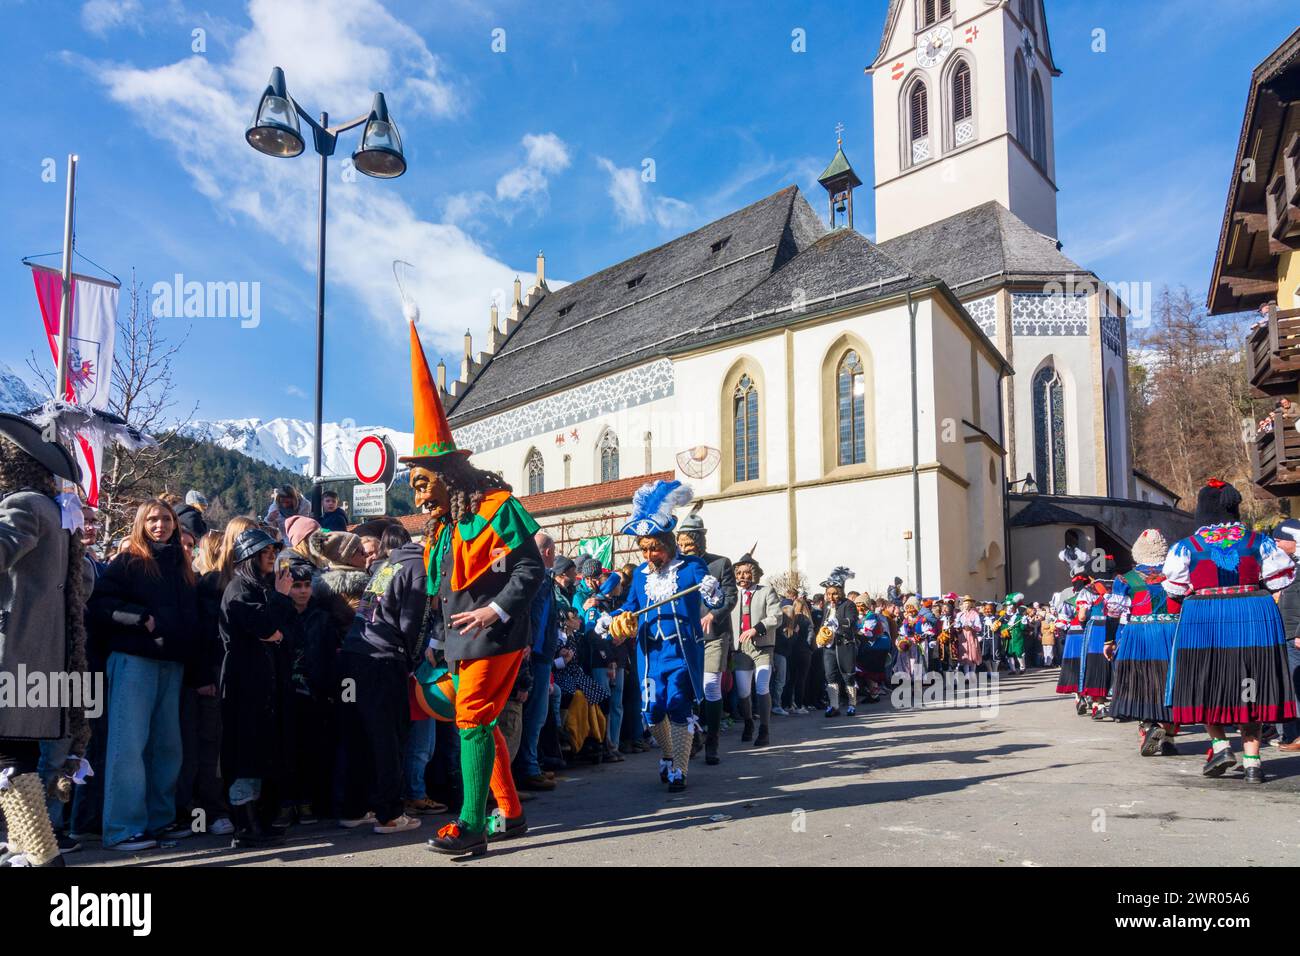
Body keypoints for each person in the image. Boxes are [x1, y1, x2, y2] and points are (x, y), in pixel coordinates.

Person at [395, 324, 544, 857]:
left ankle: (471, 824)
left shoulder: (497, 509)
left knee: (473, 719)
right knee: (482, 724)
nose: (418, 495)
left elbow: (531, 570)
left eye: (422, 483)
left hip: (497, 634)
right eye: (413, 486)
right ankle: (514, 813)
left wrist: (496, 612)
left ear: (449, 475)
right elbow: (443, 598)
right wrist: (435, 643)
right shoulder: (439, 531)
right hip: (459, 640)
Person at [1162, 480, 1297, 783]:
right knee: (1250, 686)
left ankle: (1221, 745)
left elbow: (1175, 588)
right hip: (1252, 614)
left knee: (1206, 680)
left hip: (1205, 616)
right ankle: (1253, 762)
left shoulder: (1187, 546)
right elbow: (1281, 578)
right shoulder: (1257, 541)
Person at [0, 413, 89, 868]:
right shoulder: (57, 510)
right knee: (15, 753)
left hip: (12, 655)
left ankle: (39, 852)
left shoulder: (22, 504)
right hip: (43, 656)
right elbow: (84, 581)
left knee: (7, 759)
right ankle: (24, 847)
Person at [89, 497, 200, 851]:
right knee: (129, 747)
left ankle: (159, 820)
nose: (160, 525)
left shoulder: (181, 564)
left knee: (168, 748)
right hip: (134, 660)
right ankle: (122, 828)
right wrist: (139, 618)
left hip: (172, 663)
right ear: (141, 523)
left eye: (165, 519)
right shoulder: (129, 561)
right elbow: (101, 604)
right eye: (152, 519)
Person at [598, 479, 723, 793]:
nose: (649, 554)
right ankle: (668, 753)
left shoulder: (691, 567)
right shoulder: (640, 575)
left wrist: (712, 590)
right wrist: (608, 619)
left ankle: (680, 768)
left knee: (678, 704)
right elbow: (630, 606)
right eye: (644, 549)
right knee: (652, 710)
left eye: (654, 547)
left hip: (680, 653)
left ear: (668, 544)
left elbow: (713, 599)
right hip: (650, 655)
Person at [218, 529, 296, 847]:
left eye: (273, 549)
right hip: (244, 685)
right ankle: (246, 827)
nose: (271, 555)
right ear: (249, 556)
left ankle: (260, 822)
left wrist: (276, 622)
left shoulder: (261, 588)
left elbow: (286, 631)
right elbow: (266, 627)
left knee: (263, 754)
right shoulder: (239, 588)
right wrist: (278, 602)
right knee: (246, 755)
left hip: (265, 684)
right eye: (265, 551)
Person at [1106, 529, 1181, 757]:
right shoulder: (1175, 574)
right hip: (1172, 632)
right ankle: (1168, 736)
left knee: (1141, 680)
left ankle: (1149, 726)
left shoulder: (1126, 579)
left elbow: (1113, 612)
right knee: (1170, 679)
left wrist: (1108, 640)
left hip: (1139, 632)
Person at [674, 511, 737, 766]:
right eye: (681, 544)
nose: (685, 548)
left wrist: (713, 614)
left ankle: (713, 740)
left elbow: (731, 598)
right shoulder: (677, 567)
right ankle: (695, 736)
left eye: (690, 544)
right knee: (689, 690)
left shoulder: (720, 564)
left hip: (713, 636)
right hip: (688, 638)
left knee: (710, 686)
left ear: (701, 542)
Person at [730, 550, 782, 747]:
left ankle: (765, 729)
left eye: (746, 572)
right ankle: (749, 722)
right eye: (739, 573)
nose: (742, 576)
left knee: (762, 687)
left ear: (755, 573)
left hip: (762, 646)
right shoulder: (733, 594)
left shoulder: (766, 591)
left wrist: (756, 628)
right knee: (743, 691)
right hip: (740, 648)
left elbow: (776, 616)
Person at [818, 568, 859, 717]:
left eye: (834, 593)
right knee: (830, 675)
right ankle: (834, 706)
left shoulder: (848, 605)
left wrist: (838, 622)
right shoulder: (828, 607)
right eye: (828, 594)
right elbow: (823, 623)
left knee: (848, 675)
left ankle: (852, 704)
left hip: (845, 645)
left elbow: (852, 621)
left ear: (840, 592)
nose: (831, 597)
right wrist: (820, 636)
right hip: (829, 646)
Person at [954, 596, 983, 673]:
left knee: (973, 654)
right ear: (962, 604)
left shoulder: (974, 614)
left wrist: (972, 627)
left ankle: (972, 673)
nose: (966, 605)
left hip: (971, 635)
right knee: (964, 655)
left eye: (968, 603)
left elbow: (979, 626)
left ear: (971, 604)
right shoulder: (959, 614)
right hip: (962, 636)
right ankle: (966, 675)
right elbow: (956, 624)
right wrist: (957, 627)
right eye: (965, 603)